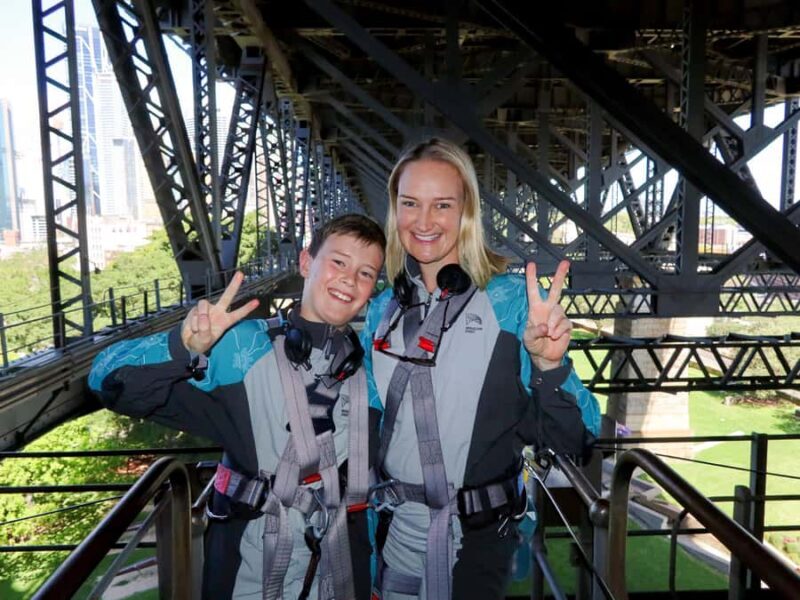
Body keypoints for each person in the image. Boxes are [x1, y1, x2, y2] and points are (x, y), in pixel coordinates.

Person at [89, 214, 387, 599]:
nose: (350, 279)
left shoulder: (374, 374)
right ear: (306, 262)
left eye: (366, 273)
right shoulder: (242, 350)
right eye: (338, 262)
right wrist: (184, 348)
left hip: (344, 576)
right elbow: (106, 379)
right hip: (249, 575)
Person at [361, 138, 601, 600]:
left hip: (478, 543)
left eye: (442, 205)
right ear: (395, 210)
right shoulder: (381, 312)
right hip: (391, 538)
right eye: (410, 203)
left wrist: (548, 366)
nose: (424, 222)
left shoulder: (509, 303)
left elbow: (577, 437)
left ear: (466, 211)